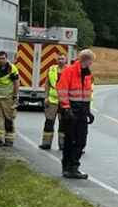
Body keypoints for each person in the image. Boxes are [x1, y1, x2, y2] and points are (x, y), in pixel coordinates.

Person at [57, 47, 95, 180]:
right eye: (91, 61)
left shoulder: (88, 74)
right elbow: (62, 89)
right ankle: (68, 167)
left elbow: (87, 93)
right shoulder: (70, 71)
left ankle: (73, 166)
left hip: (82, 110)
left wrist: (88, 110)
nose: (92, 64)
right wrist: (67, 108)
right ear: (86, 60)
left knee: (81, 140)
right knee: (70, 140)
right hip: (71, 110)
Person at [0, 49, 19, 145]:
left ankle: (9, 139)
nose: (1, 60)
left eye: (3, 58)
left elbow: (16, 83)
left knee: (8, 119)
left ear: (6, 58)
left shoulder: (11, 68)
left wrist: (15, 96)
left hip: (8, 97)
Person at [39, 53, 63, 151]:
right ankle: (46, 143)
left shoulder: (69, 70)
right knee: (49, 122)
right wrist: (46, 97)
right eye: (59, 59)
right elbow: (47, 84)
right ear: (57, 60)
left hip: (63, 101)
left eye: (62, 59)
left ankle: (63, 144)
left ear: (65, 60)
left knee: (64, 124)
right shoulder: (52, 69)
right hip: (52, 100)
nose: (61, 60)